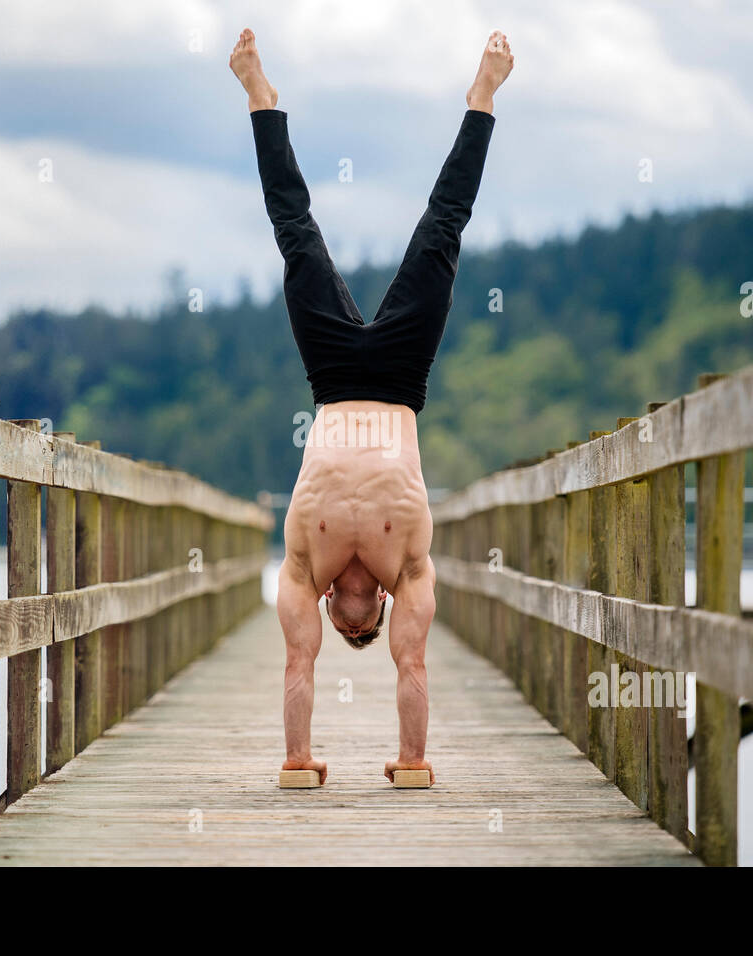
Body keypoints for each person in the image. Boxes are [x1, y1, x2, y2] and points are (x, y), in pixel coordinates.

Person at [231, 27, 513, 784]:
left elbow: (329, 662)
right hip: (371, 381)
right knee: (318, 234)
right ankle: (476, 98)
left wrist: (321, 762)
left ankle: (269, 100)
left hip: (352, 382)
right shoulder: (355, 565)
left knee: (420, 230)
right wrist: (386, 764)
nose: (348, 611)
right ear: (353, 606)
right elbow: (388, 663)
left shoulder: (364, 566)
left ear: (344, 606)